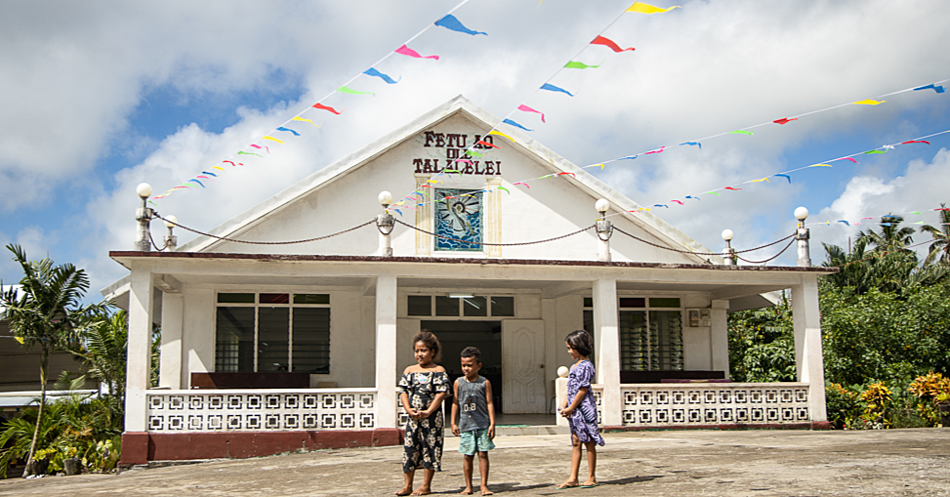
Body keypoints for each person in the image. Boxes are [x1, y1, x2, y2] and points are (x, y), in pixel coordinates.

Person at [396, 331, 450, 496]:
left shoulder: (438, 370)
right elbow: (403, 392)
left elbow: (441, 393)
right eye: (417, 350)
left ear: (432, 352)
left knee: (430, 449)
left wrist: (429, 411)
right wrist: (408, 409)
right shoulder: (409, 370)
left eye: (423, 350)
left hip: (432, 420)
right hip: (413, 419)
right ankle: (408, 485)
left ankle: (426, 486)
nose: (420, 354)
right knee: (410, 450)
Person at [557, 329, 605, 489]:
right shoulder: (574, 366)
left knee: (588, 441)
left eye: (571, 348)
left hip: (584, 409)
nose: (569, 351)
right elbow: (570, 388)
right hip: (574, 410)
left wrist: (570, 407)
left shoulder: (586, 366)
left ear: (580, 347)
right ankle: (573, 477)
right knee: (576, 441)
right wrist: (565, 405)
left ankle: (591, 476)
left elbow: (582, 389)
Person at [450, 346, 496, 496]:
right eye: (463, 365)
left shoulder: (484, 383)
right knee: (467, 456)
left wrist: (492, 423)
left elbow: (489, 403)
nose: (466, 368)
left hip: (482, 425)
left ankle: (484, 485)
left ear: (478, 366)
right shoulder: (458, 383)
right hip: (466, 426)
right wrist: (453, 422)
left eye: (470, 365)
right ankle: (468, 486)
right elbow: (455, 403)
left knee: (483, 454)